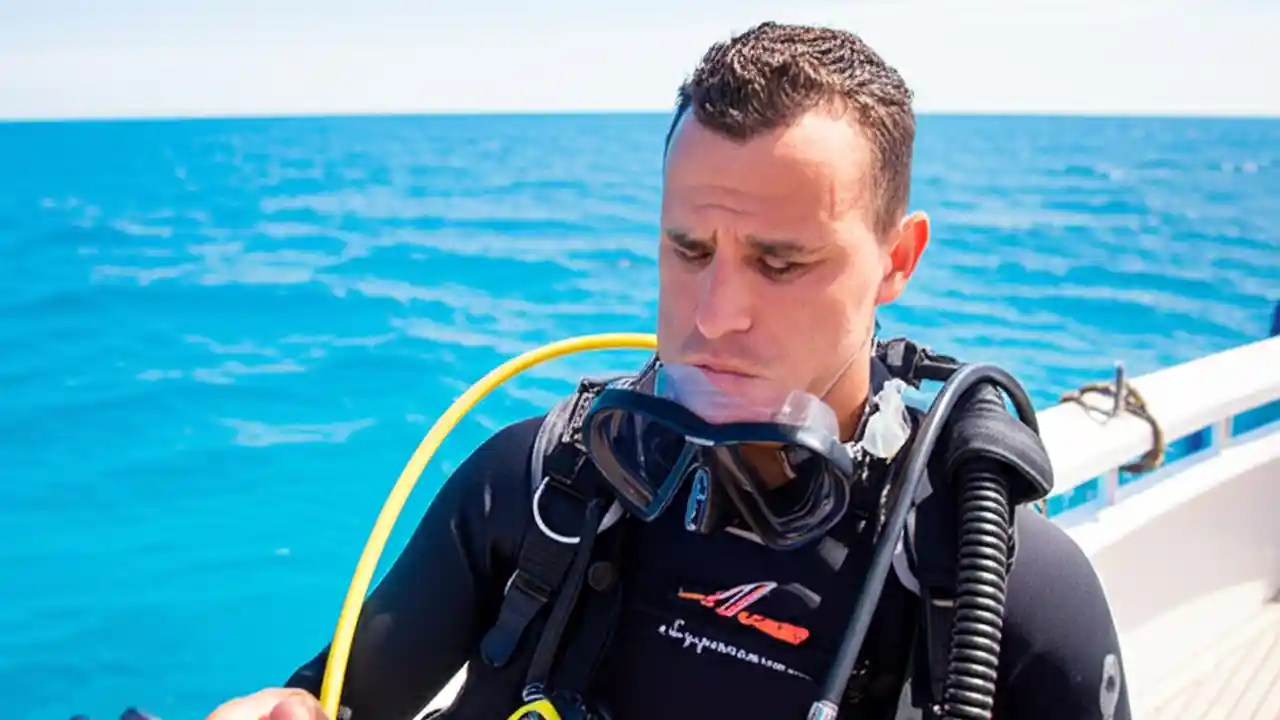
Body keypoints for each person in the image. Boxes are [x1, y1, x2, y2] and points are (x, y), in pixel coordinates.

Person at [207, 21, 1132, 720]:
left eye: (779, 262)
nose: (714, 313)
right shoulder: (536, 489)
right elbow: (330, 706)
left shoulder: (1001, 588)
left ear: (897, 260)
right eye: (689, 249)